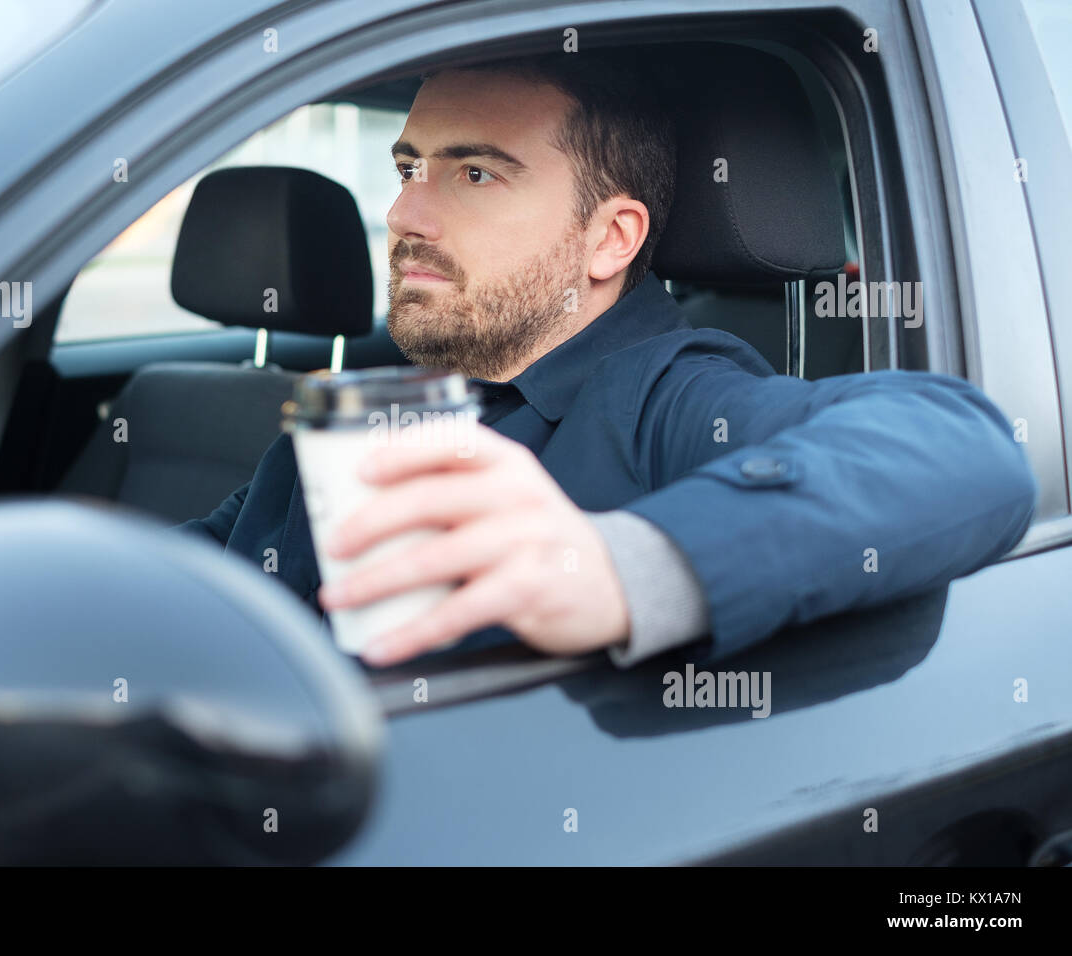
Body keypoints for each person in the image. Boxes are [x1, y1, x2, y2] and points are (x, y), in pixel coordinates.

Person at [177, 52, 1037, 669]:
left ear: (610, 238)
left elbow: (964, 450)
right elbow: (188, 579)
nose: (405, 214)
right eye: (409, 167)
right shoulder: (363, 412)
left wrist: (615, 568)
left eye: (473, 174)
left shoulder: (672, 398)